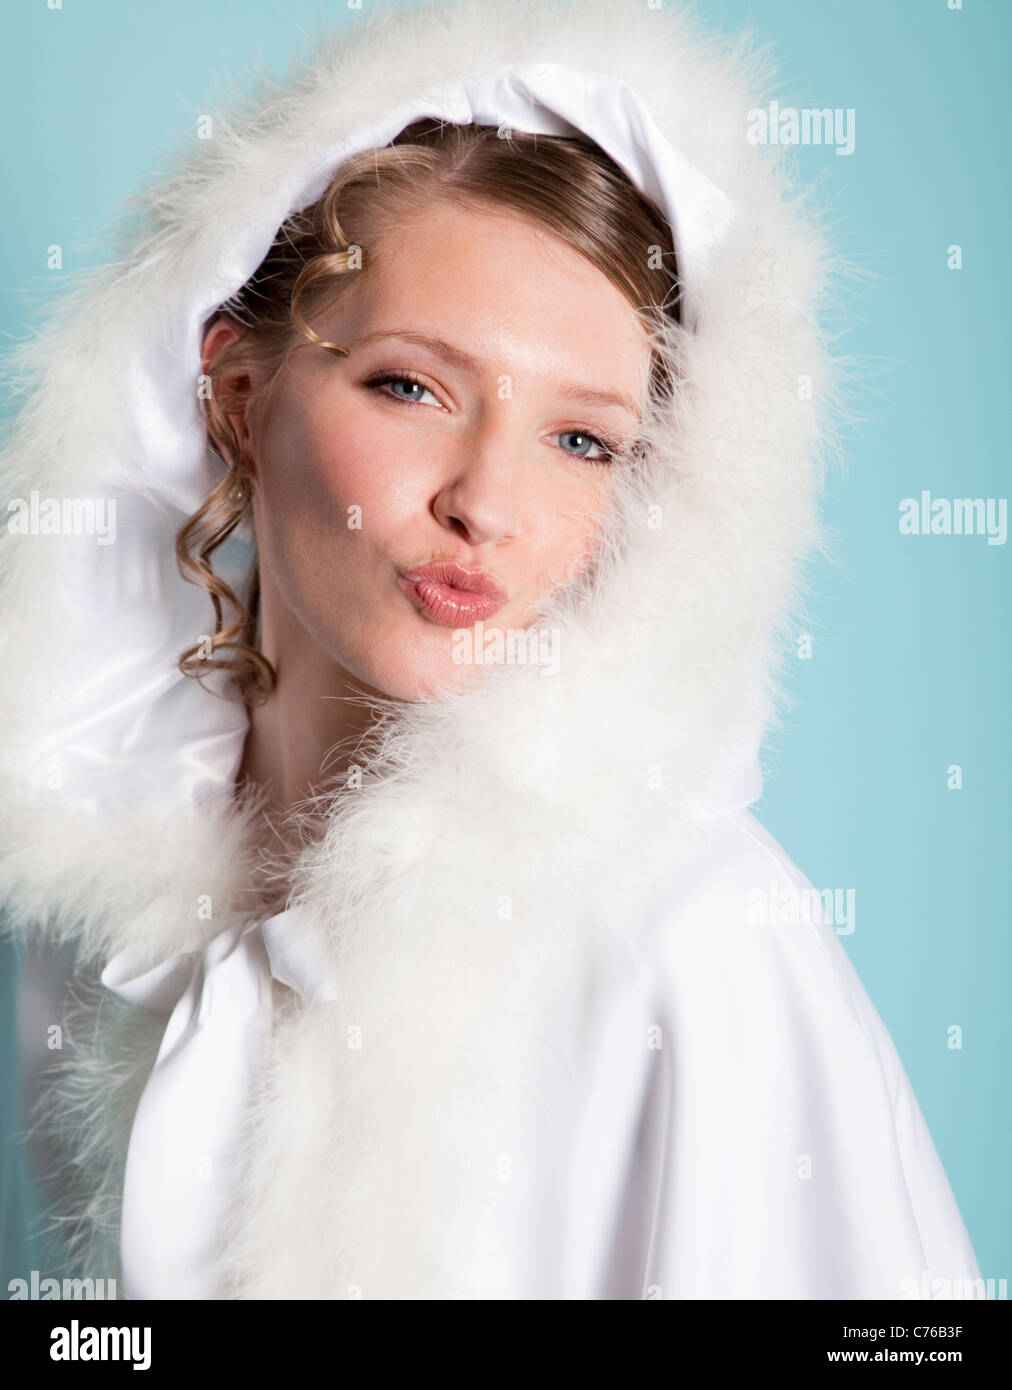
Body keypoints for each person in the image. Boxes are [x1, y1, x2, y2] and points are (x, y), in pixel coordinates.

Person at [0, 0, 981, 1300]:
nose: (487, 503)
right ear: (237, 396)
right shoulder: (87, 937)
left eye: (584, 441)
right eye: (411, 386)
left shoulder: (701, 936)